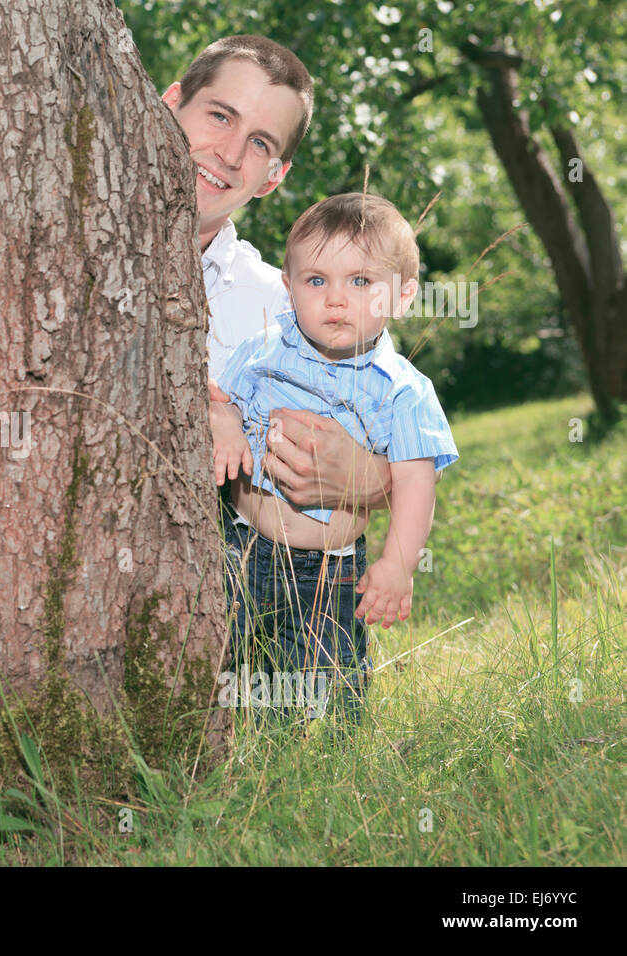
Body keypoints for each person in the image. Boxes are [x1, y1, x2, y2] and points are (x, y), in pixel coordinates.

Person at [210, 193, 459, 724]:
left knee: (326, 680)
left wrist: (397, 564)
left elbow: (416, 484)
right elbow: (217, 399)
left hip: (329, 571)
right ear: (289, 287)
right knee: (217, 660)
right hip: (239, 546)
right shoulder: (261, 351)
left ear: (404, 295)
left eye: (361, 282)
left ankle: (326, 758)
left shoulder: (403, 391)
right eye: (316, 280)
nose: (336, 300)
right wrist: (226, 420)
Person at [162, 35, 396, 512]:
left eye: (259, 143)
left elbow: (398, 433)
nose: (228, 155)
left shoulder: (287, 305)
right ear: (170, 104)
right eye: (220, 116)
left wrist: (366, 478)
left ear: (274, 176)